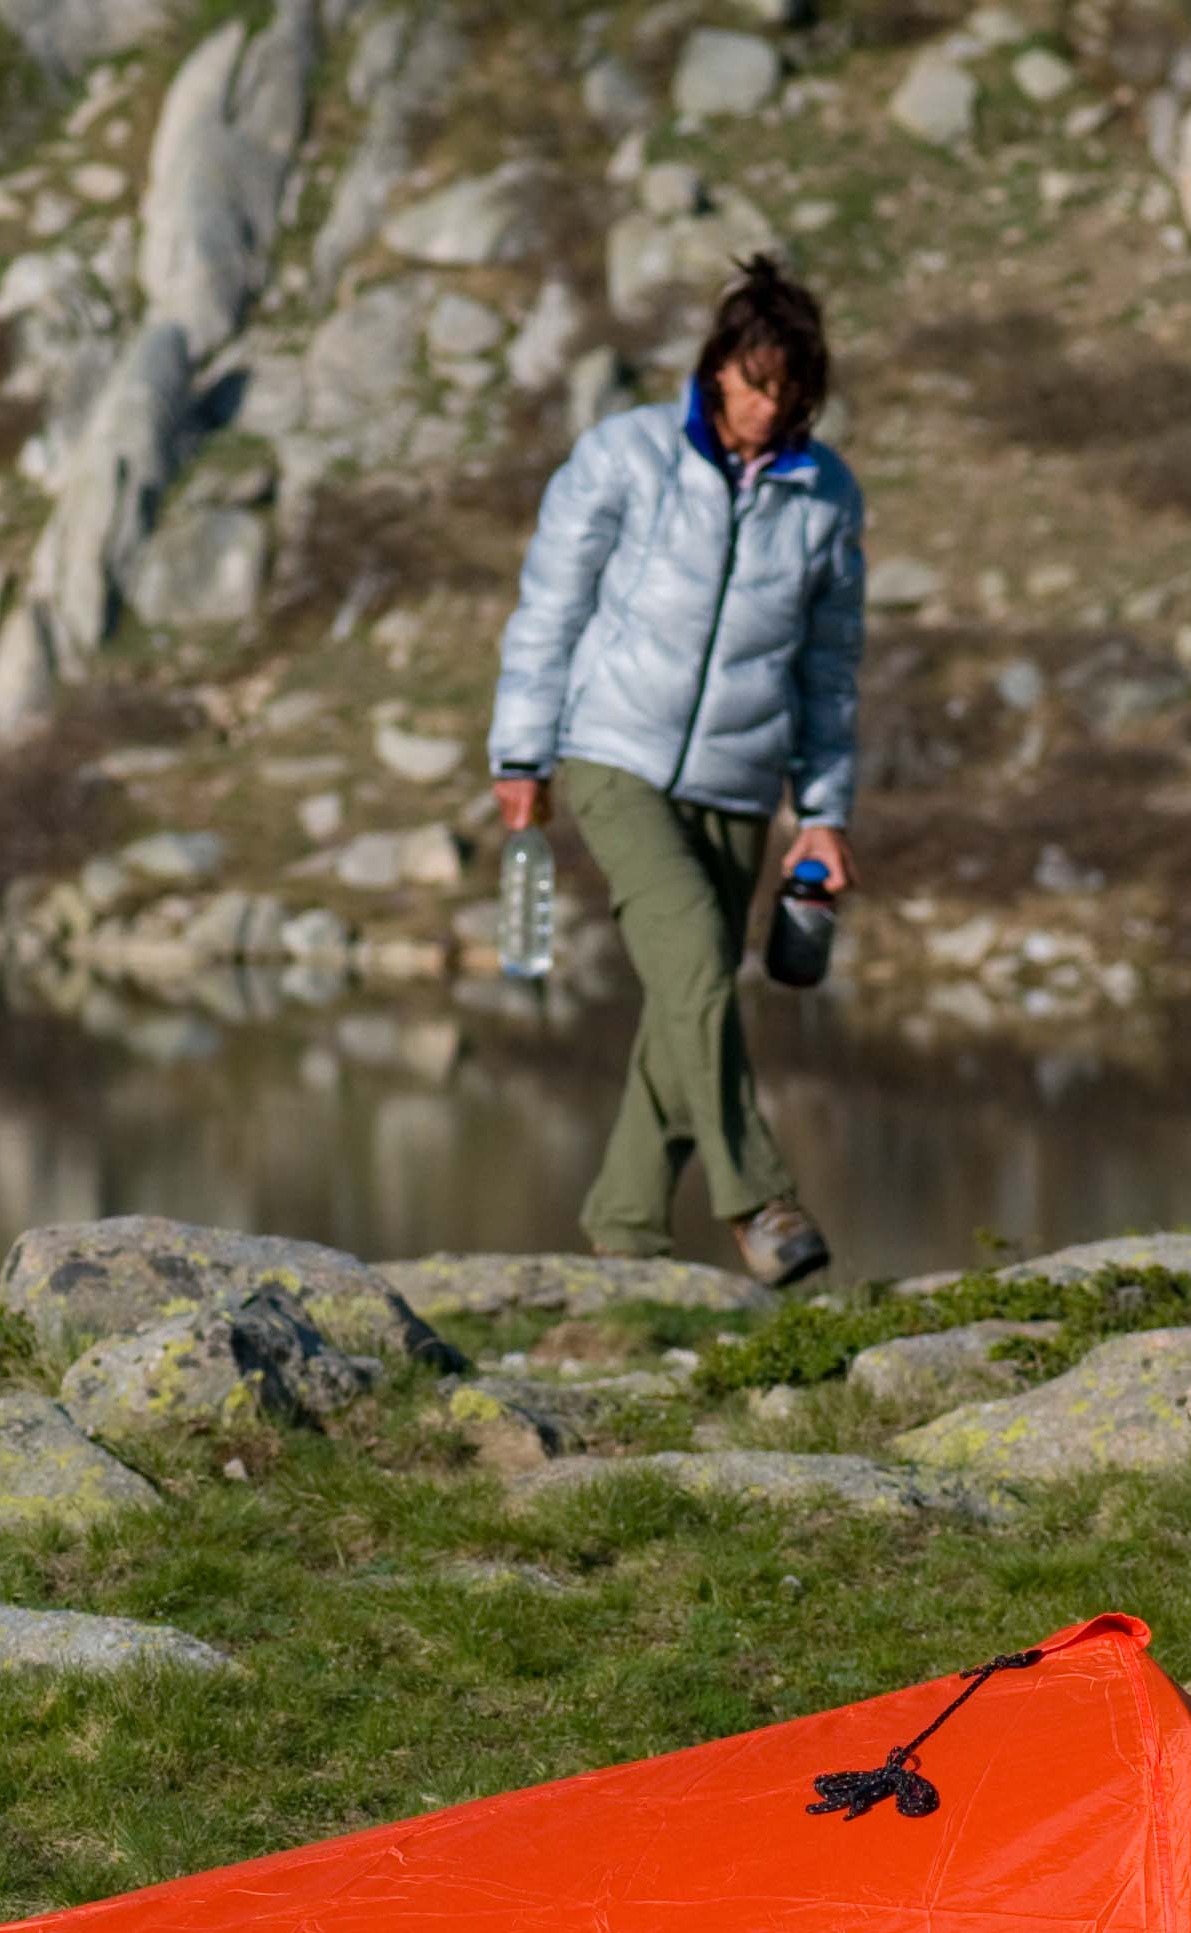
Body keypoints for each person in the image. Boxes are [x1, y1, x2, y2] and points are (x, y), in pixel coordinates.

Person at [486, 256, 865, 1288]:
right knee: (695, 958)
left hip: (741, 784)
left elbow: (828, 674)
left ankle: (623, 1240)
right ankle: (758, 1200)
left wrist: (822, 815)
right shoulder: (623, 457)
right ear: (713, 373)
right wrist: (520, 752)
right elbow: (549, 610)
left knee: (681, 1007)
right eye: (753, 384)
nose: (767, 408)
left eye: (789, 392)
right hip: (615, 755)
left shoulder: (825, 499)